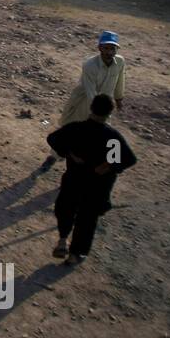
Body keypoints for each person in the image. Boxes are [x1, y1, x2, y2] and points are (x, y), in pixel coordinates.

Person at [45, 94, 136, 265]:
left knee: (66, 209)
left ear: (91, 107)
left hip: (74, 180)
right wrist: (108, 166)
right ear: (110, 113)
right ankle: (74, 254)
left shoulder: (76, 129)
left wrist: (69, 153)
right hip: (97, 187)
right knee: (87, 220)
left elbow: (53, 139)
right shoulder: (111, 137)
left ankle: (63, 239)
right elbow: (126, 159)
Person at [44, 31, 126, 169]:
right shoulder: (90, 65)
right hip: (84, 101)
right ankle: (54, 156)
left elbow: (120, 80)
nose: (109, 52)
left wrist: (118, 99)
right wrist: (95, 114)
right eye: (106, 48)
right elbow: (90, 91)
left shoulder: (120, 62)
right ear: (100, 48)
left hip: (104, 106)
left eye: (112, 48)